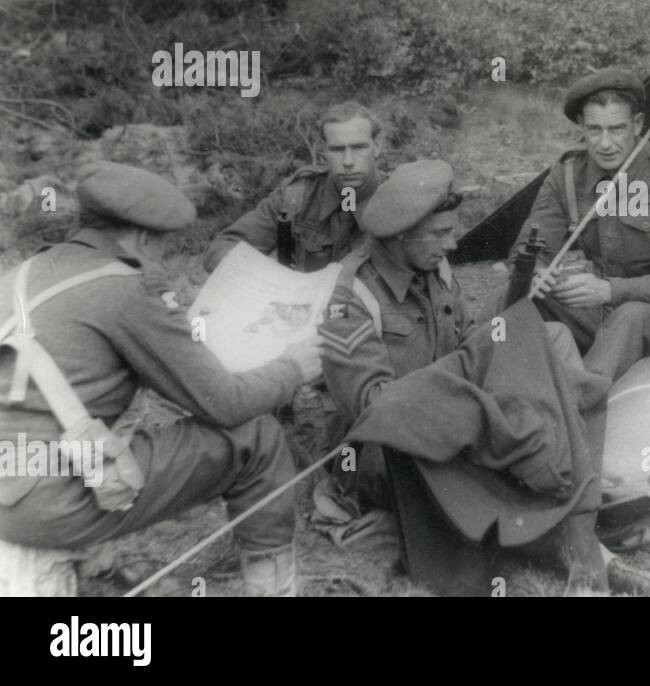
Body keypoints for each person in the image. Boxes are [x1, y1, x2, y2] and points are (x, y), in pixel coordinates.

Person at [0, 162, 322, 596]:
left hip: (12, 480)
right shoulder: (124, 289)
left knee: (99, 434)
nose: (161, 260)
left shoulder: (19, 276)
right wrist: (292, 368)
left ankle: (98, 570)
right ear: (142, 237)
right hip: (48, 507)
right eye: (164, 247)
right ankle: (276, 590)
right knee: (256, 436)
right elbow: (224, 404)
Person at [515, 67, 650, 381]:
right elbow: (526, 251)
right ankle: (483, 384)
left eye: (617, 129)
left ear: (637, 124)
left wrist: (609, 290)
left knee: (631, 316)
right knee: (512, 298)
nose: (605, 143)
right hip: (601, 316)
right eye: (594, 130)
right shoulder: (567, 172)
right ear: (581, 126)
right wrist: (536, 270)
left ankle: (583, 400)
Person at [318, 160, 470, 505]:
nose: (453, 245)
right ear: (402, 234)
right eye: (440, 233)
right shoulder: (349, 295)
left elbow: (467, 335)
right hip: (374, 452)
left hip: (443, 422)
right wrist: (464, 403)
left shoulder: (435, 267)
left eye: (451, 231)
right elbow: (371, 408)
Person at [204, 102, 384, 273]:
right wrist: (270, 277)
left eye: (359, 147)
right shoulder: (297, 197)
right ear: (323, 152)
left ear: (377, 147)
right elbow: (222, 249)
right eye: (337, 149)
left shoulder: (399, 199)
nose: (348, 162)